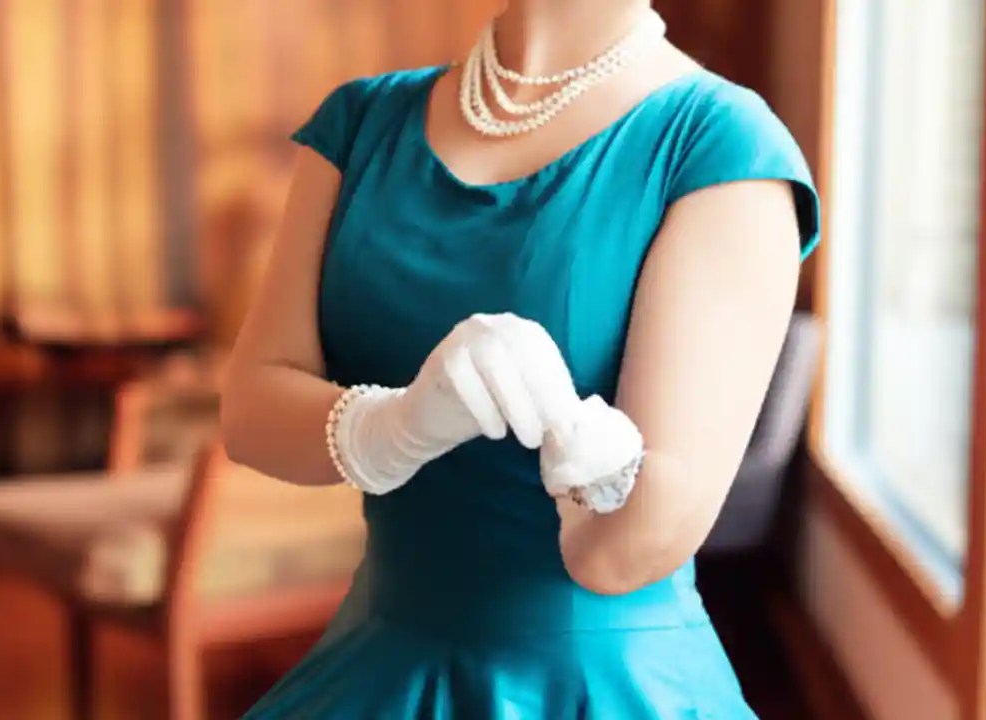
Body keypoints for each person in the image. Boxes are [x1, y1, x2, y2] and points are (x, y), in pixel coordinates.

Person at [222, 0, 819, 716]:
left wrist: (590, 458)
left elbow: (627, 551)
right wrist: (389, 427)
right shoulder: (359, 126)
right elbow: (250, 408)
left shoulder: (720, 146)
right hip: (375, 664)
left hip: (598, 687)